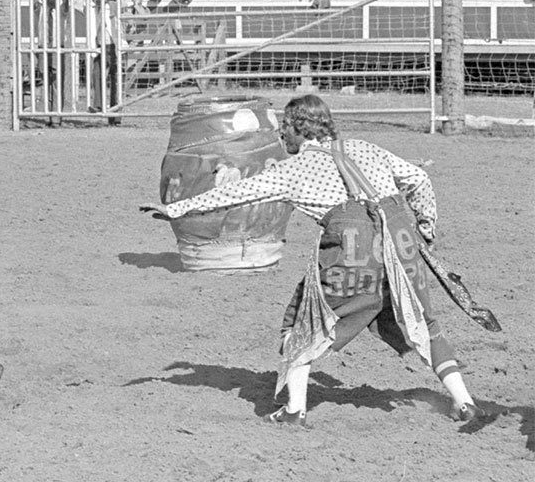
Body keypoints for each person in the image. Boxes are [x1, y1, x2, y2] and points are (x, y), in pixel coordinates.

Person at [141, 95, 479, 426]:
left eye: (285, 126)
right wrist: (426, 228)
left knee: (300, 322)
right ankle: (464, 401)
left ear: (298, 128)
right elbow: (419, 179)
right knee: (424, 323)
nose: (280, 134)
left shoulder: (294, 169)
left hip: (352, 251)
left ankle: (294, 409)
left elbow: (237, 193)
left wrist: (177, 209)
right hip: (402, 244)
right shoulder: (366, 148)